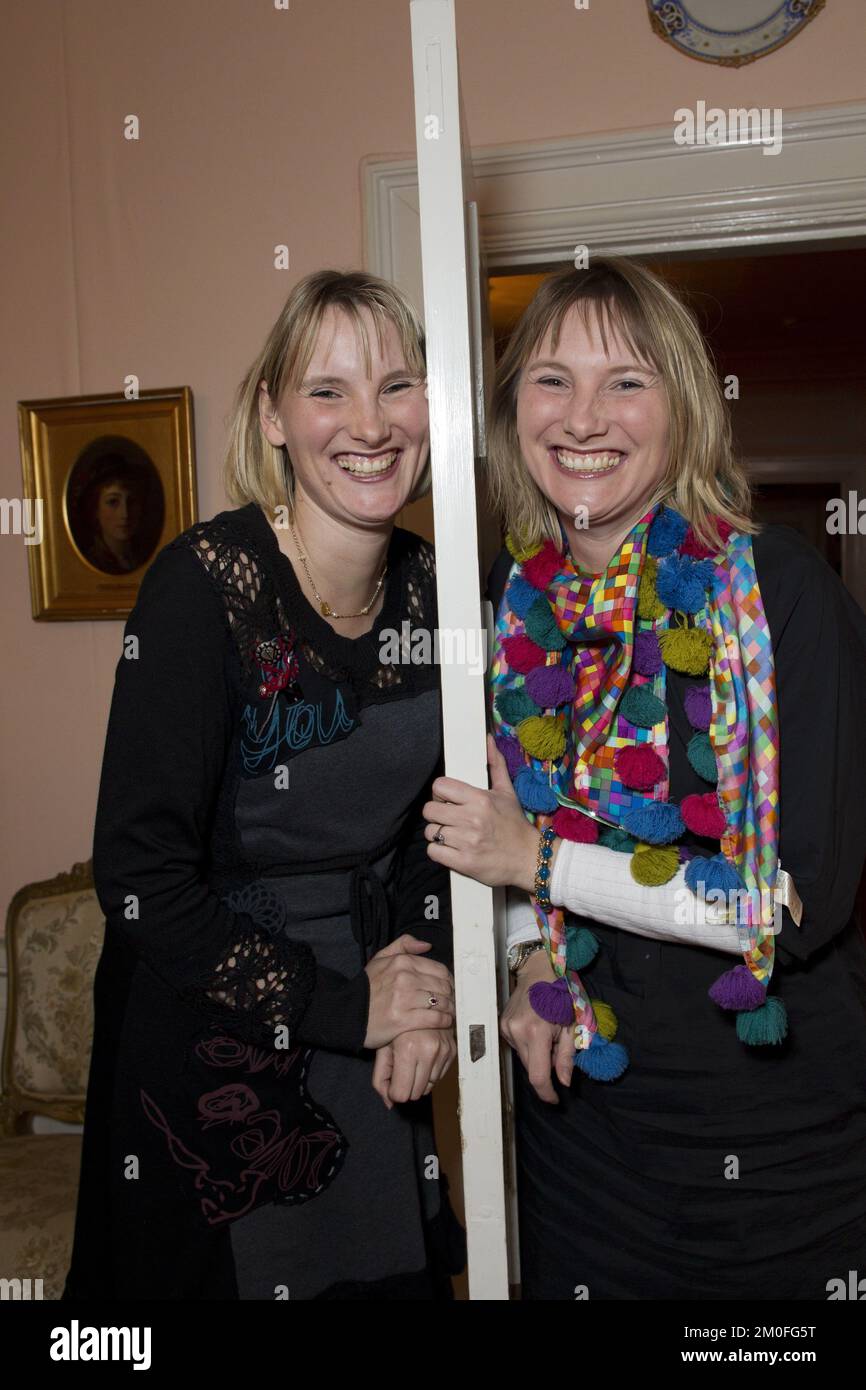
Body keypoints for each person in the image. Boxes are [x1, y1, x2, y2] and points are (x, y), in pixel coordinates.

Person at [422, 257, 866, 1299]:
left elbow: (786, 904)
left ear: (681, 410)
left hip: (771, 1140)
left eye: (625, 380)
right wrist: (531, 956)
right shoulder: (510, 602)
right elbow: (501, 820)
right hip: (583, 1137)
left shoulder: (775, 593)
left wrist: (540, 861)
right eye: (549, 379)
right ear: (509, 412)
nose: (583, 416)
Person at [63, 269, 466, 1300]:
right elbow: (141, 875)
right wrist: (346, 1007)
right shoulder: (201, 588)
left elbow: (440, 819)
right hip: (215, 1030)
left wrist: (420, 988)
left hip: (375, 1013)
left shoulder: (444, 585)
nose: (367, 423)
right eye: (326, 389)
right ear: (273, 416)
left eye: (397, 384)